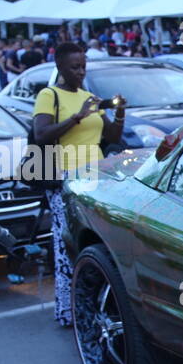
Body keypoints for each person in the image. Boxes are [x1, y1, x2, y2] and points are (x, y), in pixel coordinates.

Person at [31, 42, 127, 327]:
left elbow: (112, 135)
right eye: (75, 67)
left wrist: (119, 111)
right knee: (65, 247)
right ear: (60, 67)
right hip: (65, 179)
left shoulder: (89, 97)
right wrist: (77, 117)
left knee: (94, 243)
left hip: (95, 178)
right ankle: (67, 312)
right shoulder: (49, 96)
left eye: (84, 66)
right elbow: (42, 135)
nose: (81, 72)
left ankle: (94, 305)